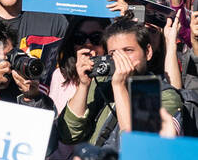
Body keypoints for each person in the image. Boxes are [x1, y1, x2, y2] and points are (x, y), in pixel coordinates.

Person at [57, 18, 185, 147]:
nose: (120, 59)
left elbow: (136, 146)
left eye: (128, 50)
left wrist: (119, 87)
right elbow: (68, 135)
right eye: (113, 53)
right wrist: (83, 85)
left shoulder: (165, 95)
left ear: (148, 52)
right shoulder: (102, 84)